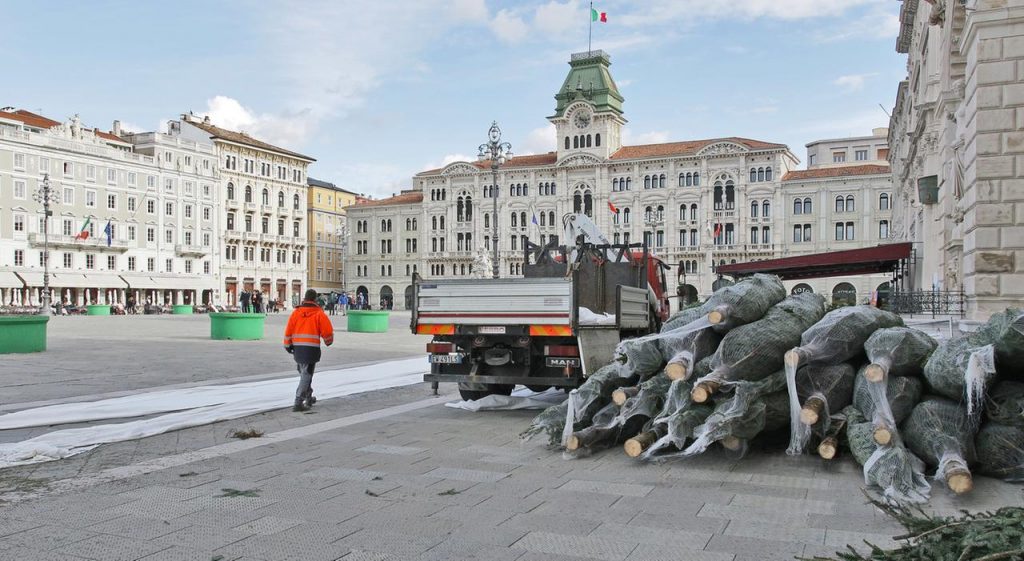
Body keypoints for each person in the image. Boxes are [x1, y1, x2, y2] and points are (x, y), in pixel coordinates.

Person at [283, 289, 334, 412]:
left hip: (297, 348)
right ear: (315, 299)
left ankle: (308, 397)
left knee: (304, 372)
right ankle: (298, 401)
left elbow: (289, 330)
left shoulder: (296, 313)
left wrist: (287, 345)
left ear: (305, 298)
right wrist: (328, 341)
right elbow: (327, 332)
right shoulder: (319, 314)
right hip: (311, 349)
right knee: (306, 374)